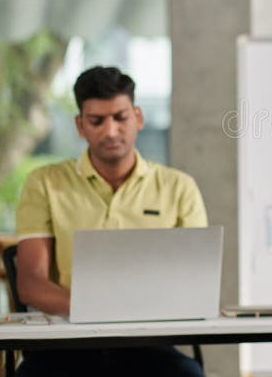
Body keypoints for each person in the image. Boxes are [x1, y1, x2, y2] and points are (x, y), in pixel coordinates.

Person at [14, 66, 208, 377]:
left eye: (120, 118)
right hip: (66, 343)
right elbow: (30, 283)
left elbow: (197, 281)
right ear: (80, 124)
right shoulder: (45, 183)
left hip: (150, 341)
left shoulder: (179, 187)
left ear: (139, 117)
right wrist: (97, 307)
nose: (111, 131)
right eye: (96, 121)